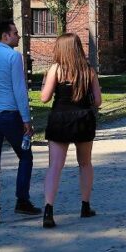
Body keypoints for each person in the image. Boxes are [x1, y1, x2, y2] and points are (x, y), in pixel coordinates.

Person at [0, 20, 42, 224]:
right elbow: (19, 90)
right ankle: (22, 201)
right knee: (25, 156)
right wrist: (26, 119)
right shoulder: (13, 57)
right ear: (5, 36)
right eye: (15, 33)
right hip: (10, 114)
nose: (18, 36)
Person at [40, 33, 102, 229]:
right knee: (85, 164)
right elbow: (98, 101)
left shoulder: (56, 69)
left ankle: (48, 210)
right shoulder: (88, 70)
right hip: (83, 118)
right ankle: (85, 205)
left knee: (55, 166)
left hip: (60, 119)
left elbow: (44, 98)